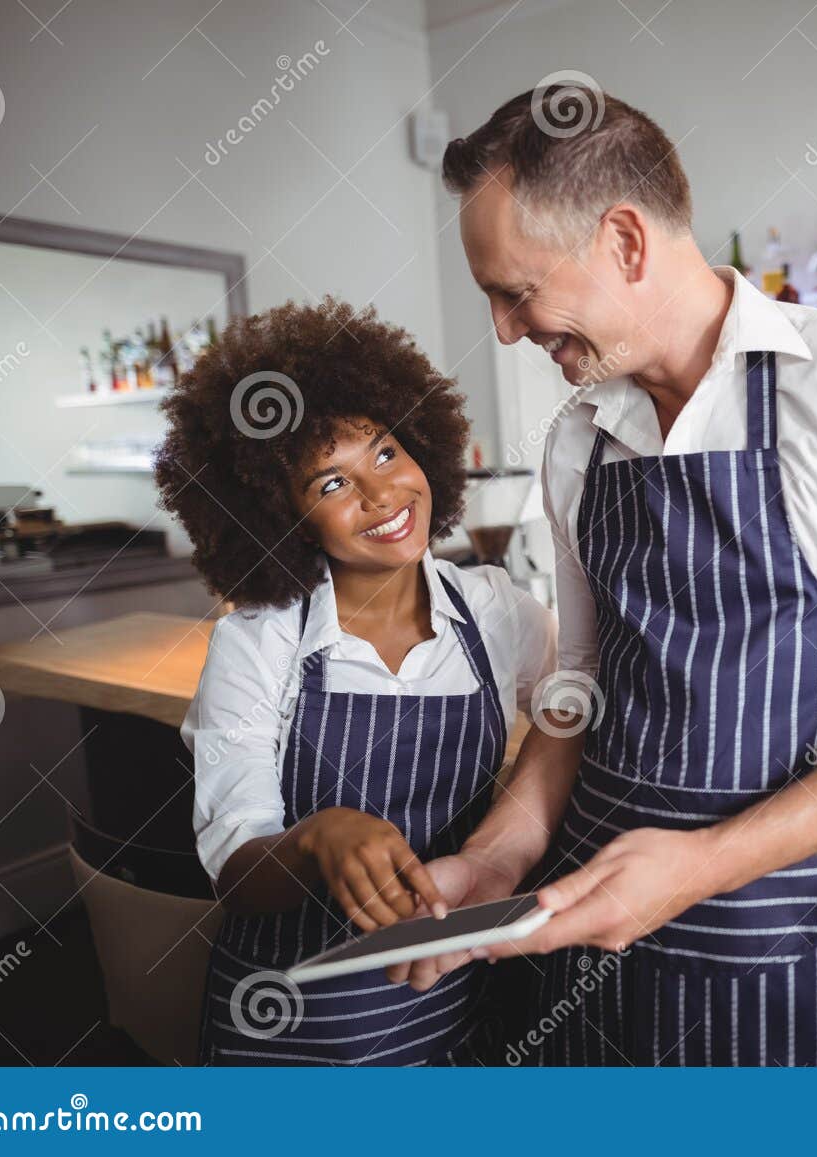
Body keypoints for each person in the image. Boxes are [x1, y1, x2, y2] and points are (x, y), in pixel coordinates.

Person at [397, 87, 817, 1066]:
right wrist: (499, 851)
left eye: (515, 290)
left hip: (803, 957)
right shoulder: (577, 441)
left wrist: (700, 864)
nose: (507, 330)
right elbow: (580, 695)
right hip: (600, 954)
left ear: (626, 240)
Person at [156, 297, 556, 1065]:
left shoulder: (496, 611)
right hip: (295, 1026)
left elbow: (578, 710)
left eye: (384, 452)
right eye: (330, 484)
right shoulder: (257, 641)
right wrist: (316, 836)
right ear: (281, 515)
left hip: (455, 1000)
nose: (380, 495)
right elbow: (237, 869)